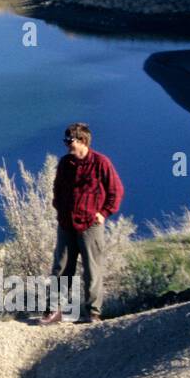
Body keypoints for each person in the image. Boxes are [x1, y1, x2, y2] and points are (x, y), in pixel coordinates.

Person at [40, 122, 123, 325]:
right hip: (67, 223)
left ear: (83, 141)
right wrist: (59, 208)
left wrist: (103, 213)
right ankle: (54, 311)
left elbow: (116, 191)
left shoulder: (101, 163)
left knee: (92, 269)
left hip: (90, 225)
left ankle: (92, 313)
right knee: (61, 268)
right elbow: (57, 189)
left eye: (70, 141)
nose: (67, 144)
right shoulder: (65, 163)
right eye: (66, 140)